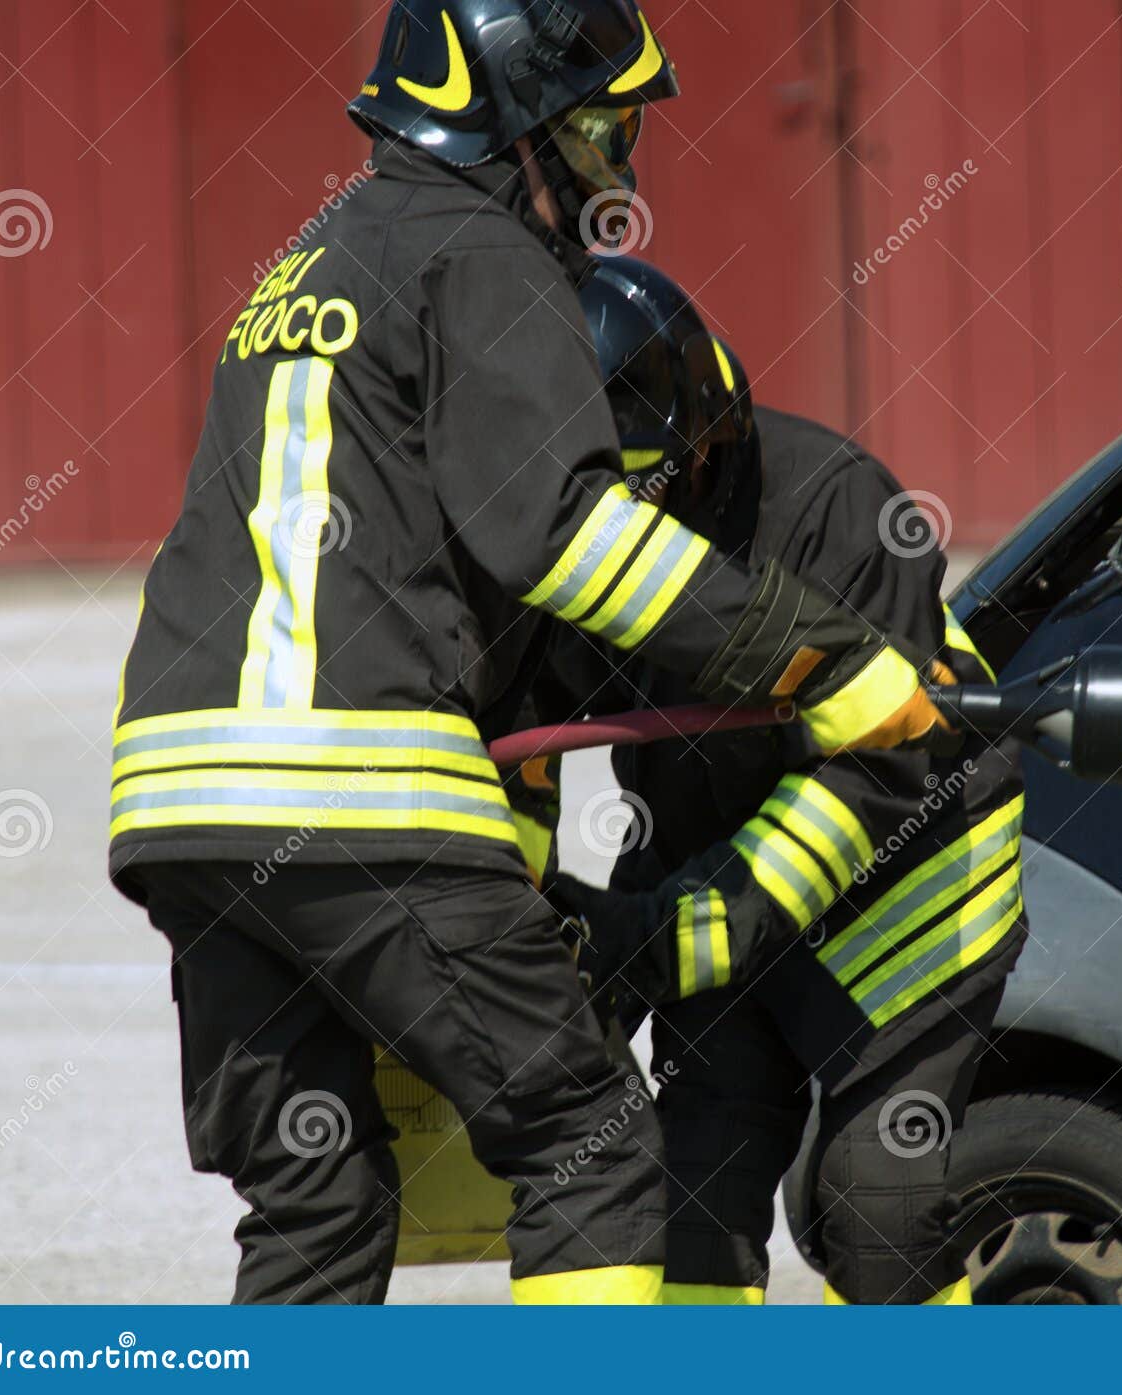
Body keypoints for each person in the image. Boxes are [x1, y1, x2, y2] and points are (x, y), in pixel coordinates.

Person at [110, 0, 952, 1306]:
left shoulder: (311, 265)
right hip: (354, 784)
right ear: (512, 107)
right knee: (591, 1141)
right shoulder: (486, 252)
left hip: (180, 805)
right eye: (600, 126)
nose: (613, 167)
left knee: (317, 1198)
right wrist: (824, 661)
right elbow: (561, 538)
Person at [531, 257, 1027, 1305]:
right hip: (713, 869)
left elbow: (881, 771)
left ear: (719, 424)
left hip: (908, 887)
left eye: (678, 475)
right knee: (691, 1200)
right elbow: (527, 717)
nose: (650, 521)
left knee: (873, 1202)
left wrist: (658, 939)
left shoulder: (839, 509)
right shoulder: (569, 540)